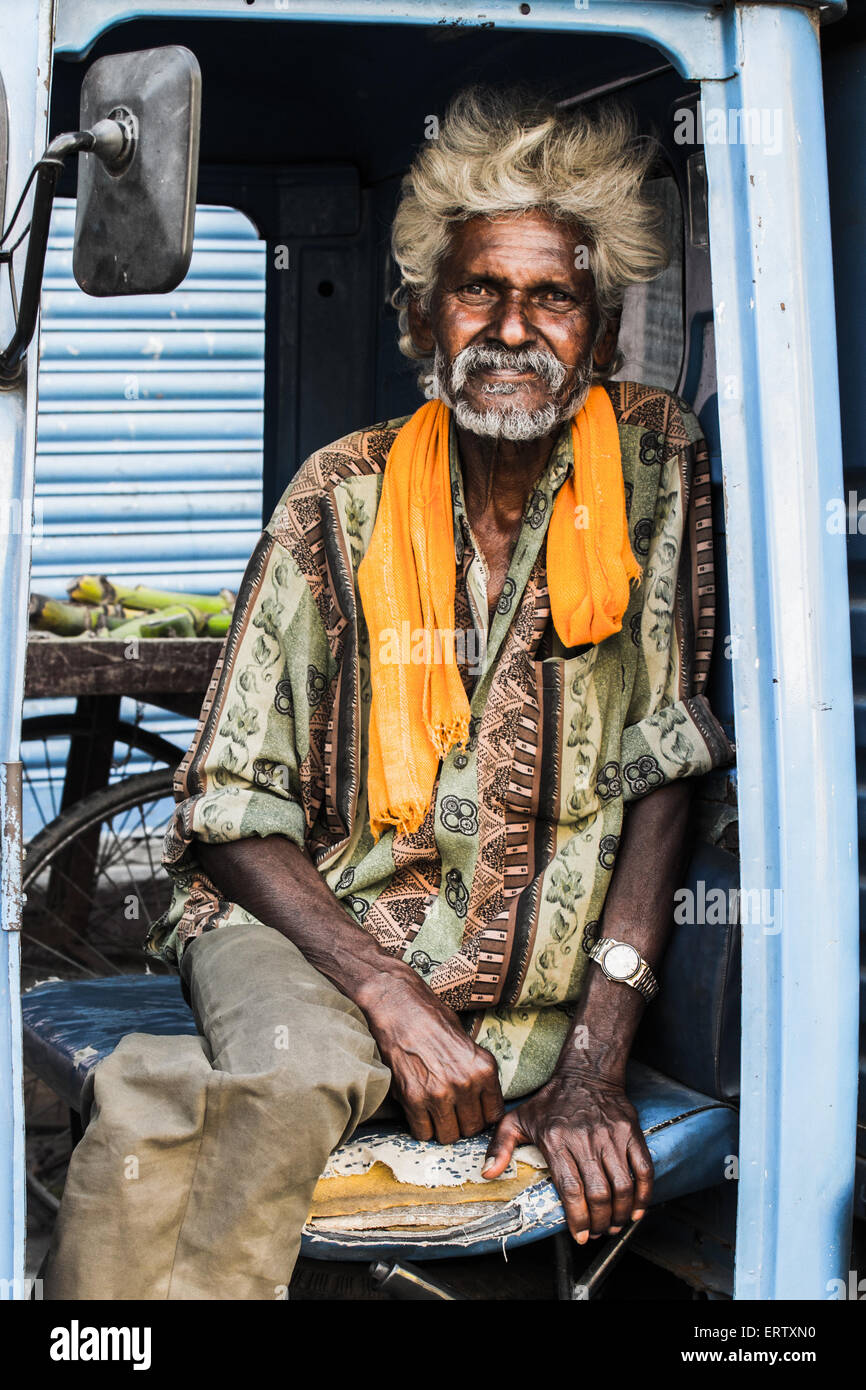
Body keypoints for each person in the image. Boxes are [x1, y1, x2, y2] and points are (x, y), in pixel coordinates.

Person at [44, 88, 733, 1300]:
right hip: (312, 937)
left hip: (531, 995)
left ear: (606, 331)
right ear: (424, 314)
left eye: (552, 297)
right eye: (478, 292)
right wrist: (388, 993)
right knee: (281, 1082)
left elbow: (665, 763)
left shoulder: (656, 467)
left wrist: (593, 1061)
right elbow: (225, 796)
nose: (510, 329)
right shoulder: (339, 494)